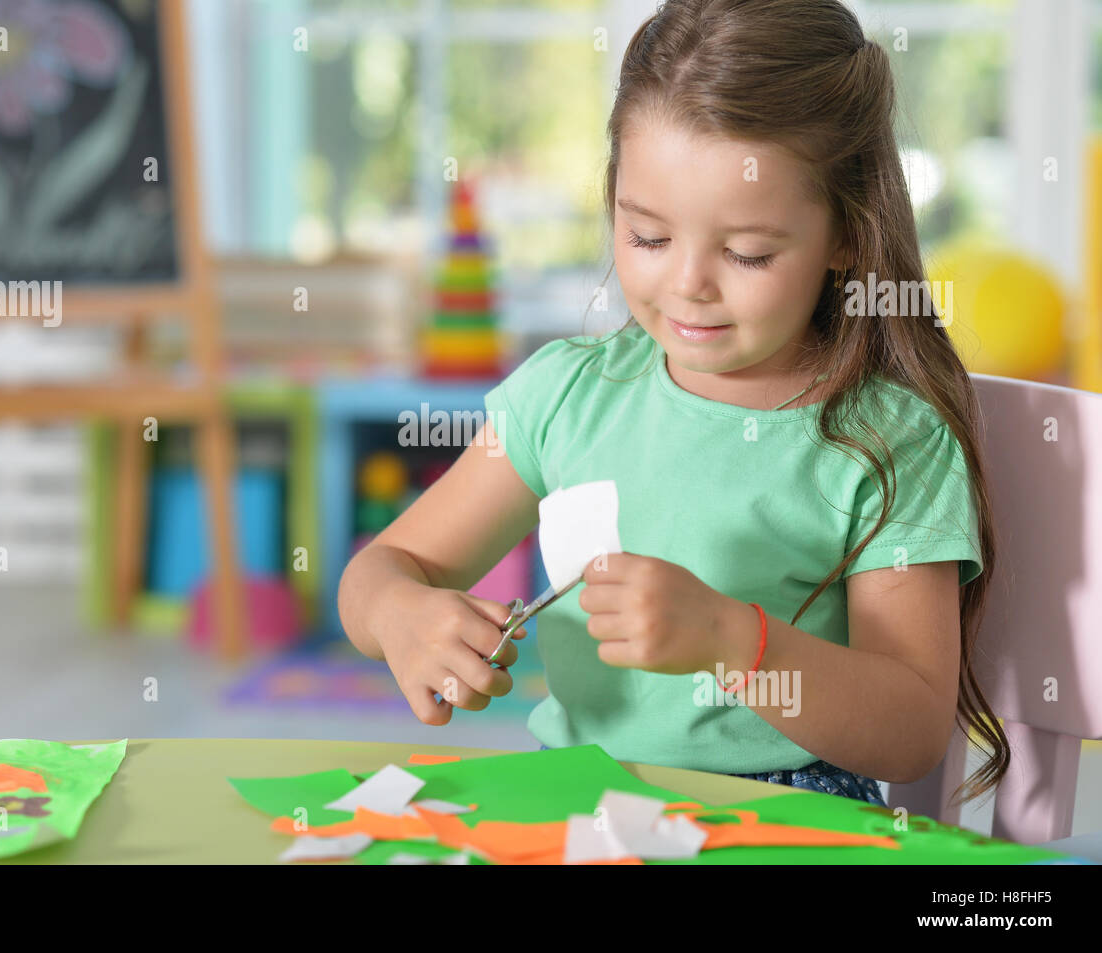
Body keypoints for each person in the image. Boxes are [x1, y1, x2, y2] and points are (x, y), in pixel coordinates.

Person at [338, 0, 1008, 810]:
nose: (687, 282)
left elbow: (909, 731)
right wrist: (402, 613)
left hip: (787, 814)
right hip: (577, 803)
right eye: (648, 237)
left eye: (747, 252)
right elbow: (379, 572)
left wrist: (735, 641)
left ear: (846, 237)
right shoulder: (566, 397)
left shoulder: (889, 439)